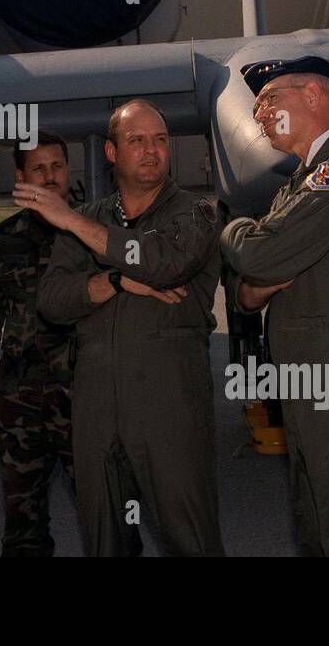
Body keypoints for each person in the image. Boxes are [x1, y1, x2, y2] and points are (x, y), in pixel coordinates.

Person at [220, 56, 329, 556]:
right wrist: (250, 286)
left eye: (269, 100)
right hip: (309, 377)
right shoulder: (300, 182)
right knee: (318, 515)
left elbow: (259, 253)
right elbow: (251, 283)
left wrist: (233, 225)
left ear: (314, 97)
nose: (258, 115)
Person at [36, 99, 224, 556]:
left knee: (191, 539)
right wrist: (114, 281)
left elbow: (163, 263)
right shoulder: (91, 220)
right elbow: (52, 301)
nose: (151, 150)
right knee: (106, 541)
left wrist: (76, 224)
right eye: (136, 140)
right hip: (97, 410)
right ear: (111, 152)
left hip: (169, 410)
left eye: (160, 140)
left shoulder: (197, 214)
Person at [0, 129, 77, 556]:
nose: (49, 177)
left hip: (84, 396)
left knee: (105, 512)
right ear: (21, 176)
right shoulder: (4, 238)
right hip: (21, 401)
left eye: (57, 167)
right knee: (23, 521)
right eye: (39, 169)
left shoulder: (94, 231)